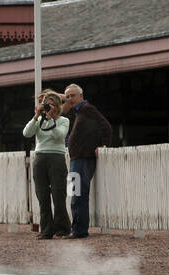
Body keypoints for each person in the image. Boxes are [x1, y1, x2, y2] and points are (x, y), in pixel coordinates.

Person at [60, 83, 112, 239]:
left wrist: (103, 145)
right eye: (67, 97)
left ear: (81, 96)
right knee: (75, 194)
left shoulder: (87, 109)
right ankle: (77, 229)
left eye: (73, 96)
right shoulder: (80, 111)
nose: (69, 99)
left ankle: (78, 230)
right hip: (77, 158)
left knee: (77, 195)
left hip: (82, 158)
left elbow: (106, 127)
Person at [24, 90, 70, 239]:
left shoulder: (64, 121)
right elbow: (27, 133)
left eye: (51, 105)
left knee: (58, 194)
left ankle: (62, 229)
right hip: (40, 157)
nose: (49, 108)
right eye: (46, 105)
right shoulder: (39, 120)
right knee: (42, 195)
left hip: (56, 157)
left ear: (57, 106)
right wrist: (36, 116)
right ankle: (46, 230)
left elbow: (59, 136)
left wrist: (51, 119)